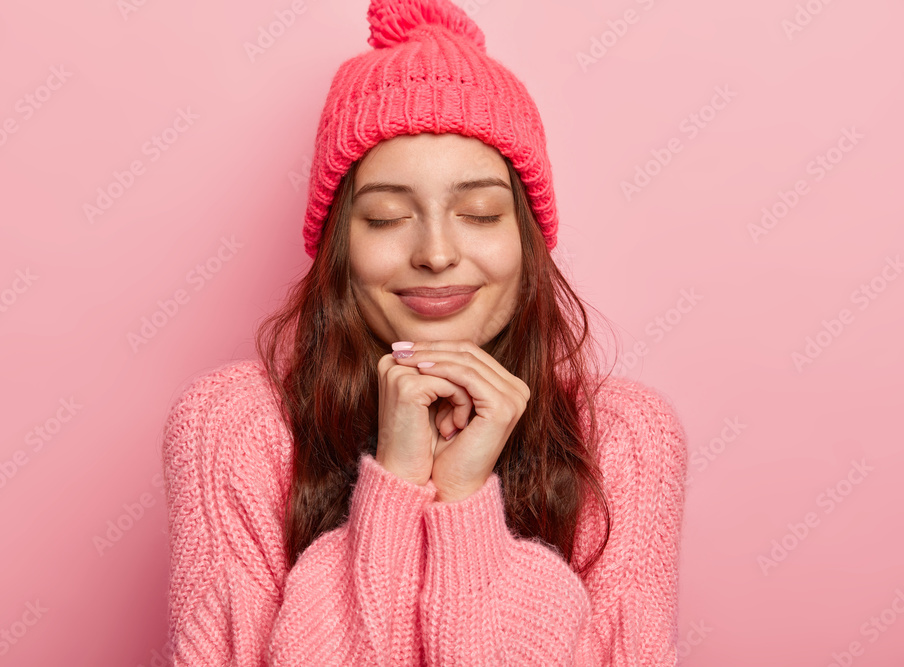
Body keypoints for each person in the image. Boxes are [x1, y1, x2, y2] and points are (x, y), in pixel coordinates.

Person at [160, 0, 688, 664]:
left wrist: (465, 499)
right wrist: (396, 481)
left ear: (526, 239)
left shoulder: (623, 439)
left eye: (480, 212)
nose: (436, 252)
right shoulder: (234, 427)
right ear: (338, 246)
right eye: (385, 217)